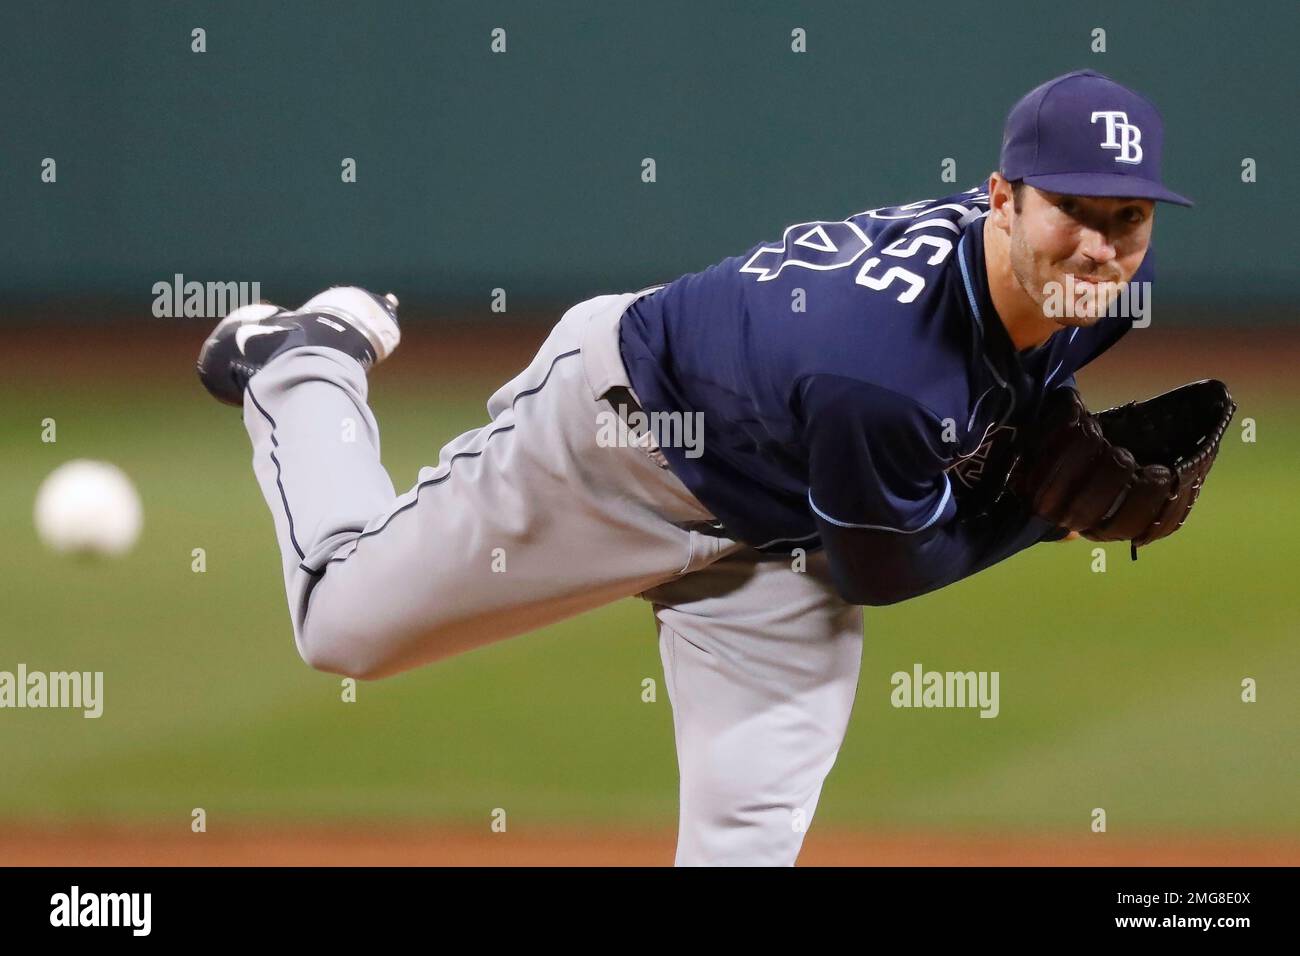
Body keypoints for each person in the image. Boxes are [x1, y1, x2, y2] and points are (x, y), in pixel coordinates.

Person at [197, 69, 1190, 865]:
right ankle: (306, 359)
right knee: (341, 627)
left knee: (745, 846)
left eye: (1129, 218)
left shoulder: (1068, 294)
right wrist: (1043, 514)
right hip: (617, 444)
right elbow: (880, 570)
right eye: (1076, 209)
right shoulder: (876, 369)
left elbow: (992, 401)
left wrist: (1042, 443)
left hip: (777, 537)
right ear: (1003, 199)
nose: (1103, 246)